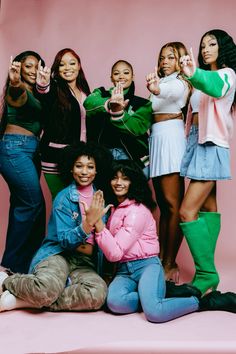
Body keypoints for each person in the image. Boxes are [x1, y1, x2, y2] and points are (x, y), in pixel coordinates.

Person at [92, 160, 236, 322]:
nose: (118, 183)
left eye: (125, 178)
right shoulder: (113, 209)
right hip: (124, 271)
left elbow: (115, 253)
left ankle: (204, 301)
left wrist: (98, 225)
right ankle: (158, 293)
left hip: (146, 266)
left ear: (133, 182)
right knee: (115, 303)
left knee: (154, 312)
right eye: (114, 178)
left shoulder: (136, 212)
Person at [109, 44, 191, 282]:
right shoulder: (163, 82)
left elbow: (174, 94)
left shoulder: (180, 82)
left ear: (180, 60)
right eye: (162, 57)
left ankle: (170, 261)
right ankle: (162, 257)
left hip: (171, 140)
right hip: (157, 140)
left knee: (173, 205)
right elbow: (145, 115)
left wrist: (156, 89)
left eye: (171, 57)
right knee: (164, 206)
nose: (165, 61)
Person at [0, 142, 112, 312]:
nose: (84, 172)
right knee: (45, 288)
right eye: (79, 166)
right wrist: (87, 224)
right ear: (71, 169)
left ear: (96, 171)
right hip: (58, 255)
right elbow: (66, 241)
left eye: (90, 167)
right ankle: (6, 281)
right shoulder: (64, 198)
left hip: (84, 263)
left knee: (97, 295)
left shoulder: (101, 199)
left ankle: (26, 301)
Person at [179, 29, 236, 295]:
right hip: (197, 143)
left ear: (223, 47)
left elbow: (213, 86)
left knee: (186, 211)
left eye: (211, 44)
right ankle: (209, 272)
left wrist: (193, 74)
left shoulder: (227, 74)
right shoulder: (201, 78)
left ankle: (205, 273)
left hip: (211, 144)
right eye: (202, 45)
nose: (205, 49)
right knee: (208, 209)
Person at [0, 51, 46, 274]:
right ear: (20, 68)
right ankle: (8, 266)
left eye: (37, 66)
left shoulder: (37, 91)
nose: (33, 70)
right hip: (15, 149)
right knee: (32, 203)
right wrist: (15, 82)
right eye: (28, 66)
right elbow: (15, 94)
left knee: (24, 207)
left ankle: (22, 268)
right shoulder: (19, 90)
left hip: (29, 151)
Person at [36, 48, 91, 199]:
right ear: (57, 68)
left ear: (79, 66)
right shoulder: (55, 88)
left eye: (72, 63)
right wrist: (43, 84)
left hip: (80, 157)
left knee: (78, 202)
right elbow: (44, 94)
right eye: (62, 64)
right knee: (60, 202)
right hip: (55, 156)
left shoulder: (85, 91)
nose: (67, 68)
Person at [84, 60, 152, 177]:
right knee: (106, 191)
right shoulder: (100, 93)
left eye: (126, 73)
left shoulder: (143, 104)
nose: (121, 76)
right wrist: (110, 103)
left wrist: (119, 113)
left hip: (133, 157)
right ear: (111, 78)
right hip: (103, 155)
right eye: (116, 73)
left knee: (134, 191)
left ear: (132, 76)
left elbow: (137, 128)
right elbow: (88, 103)